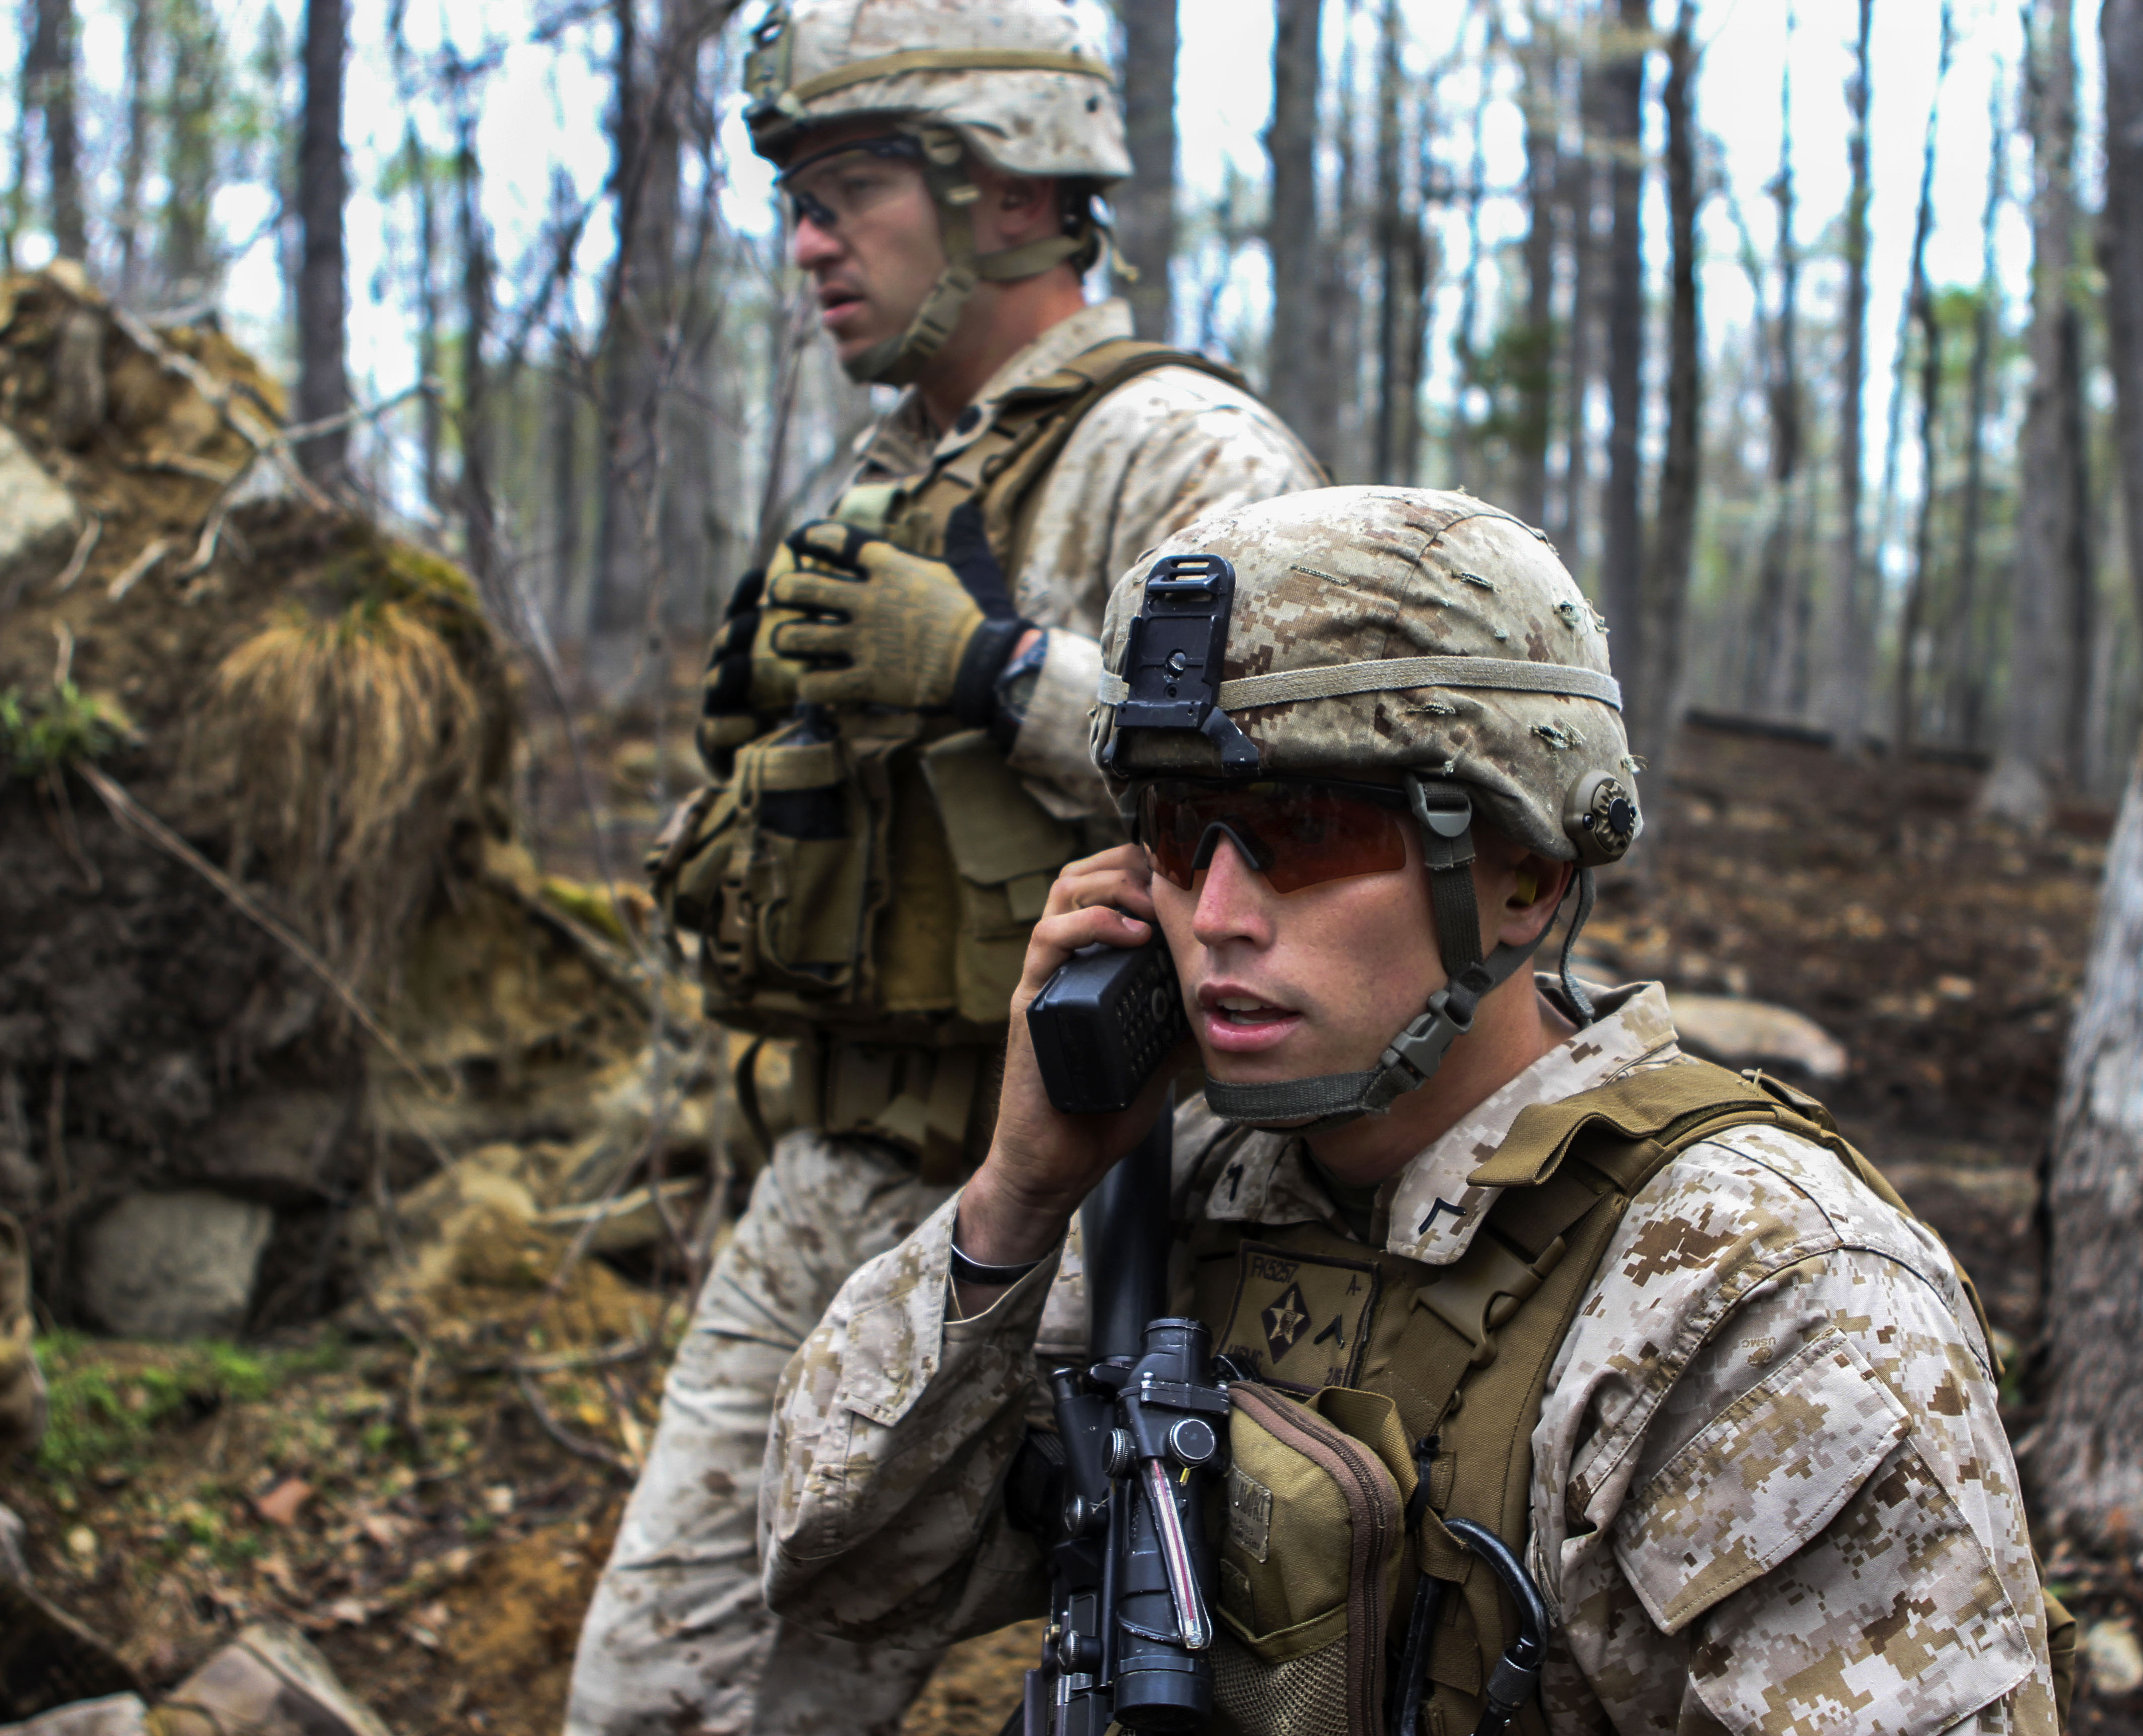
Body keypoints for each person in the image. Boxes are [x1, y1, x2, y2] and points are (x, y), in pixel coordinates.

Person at [759, 486, 2069, 1735]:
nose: (1214, 916)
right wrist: (1017, 1199)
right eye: (1176, 831)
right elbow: (847, 1580)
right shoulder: (1199, 1177)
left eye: (1307, 830)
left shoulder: (1754, 1303)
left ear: (1528, 873)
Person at [569, 0, 1324, 1728]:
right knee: (660, 1695)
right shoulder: (888, 470)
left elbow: (1302, 799)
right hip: (844, 1173)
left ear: (999, 192)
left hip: (1106, 1200)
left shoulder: (1188, 454)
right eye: (797, 201)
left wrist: (1000, 674)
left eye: (848, 189)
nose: (808, 243)